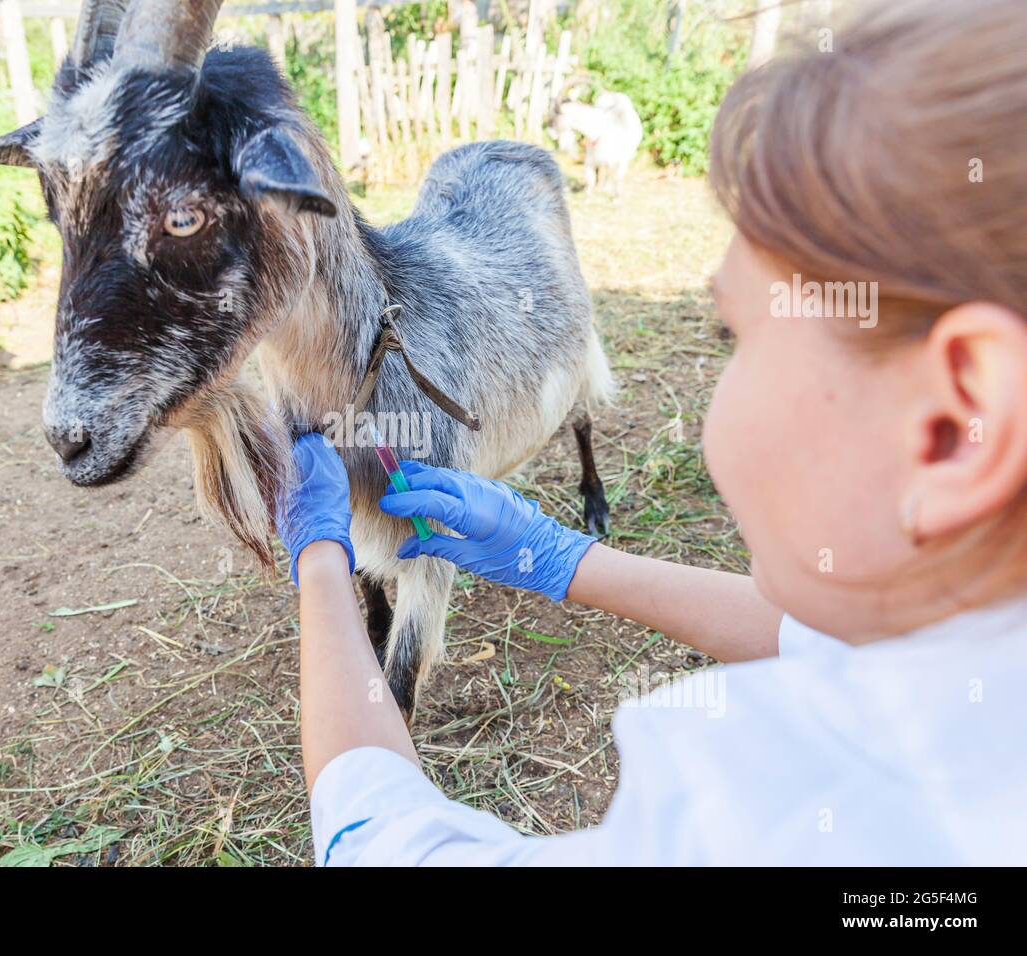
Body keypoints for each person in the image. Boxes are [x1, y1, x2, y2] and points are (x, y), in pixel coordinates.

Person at [275, 0, 1027, 866]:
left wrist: (323, 567)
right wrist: (561, 559)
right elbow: (837, 644)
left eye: (737, 339)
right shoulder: (971, 688)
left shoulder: (768, 814)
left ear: (953, 426)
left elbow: (390, 847)